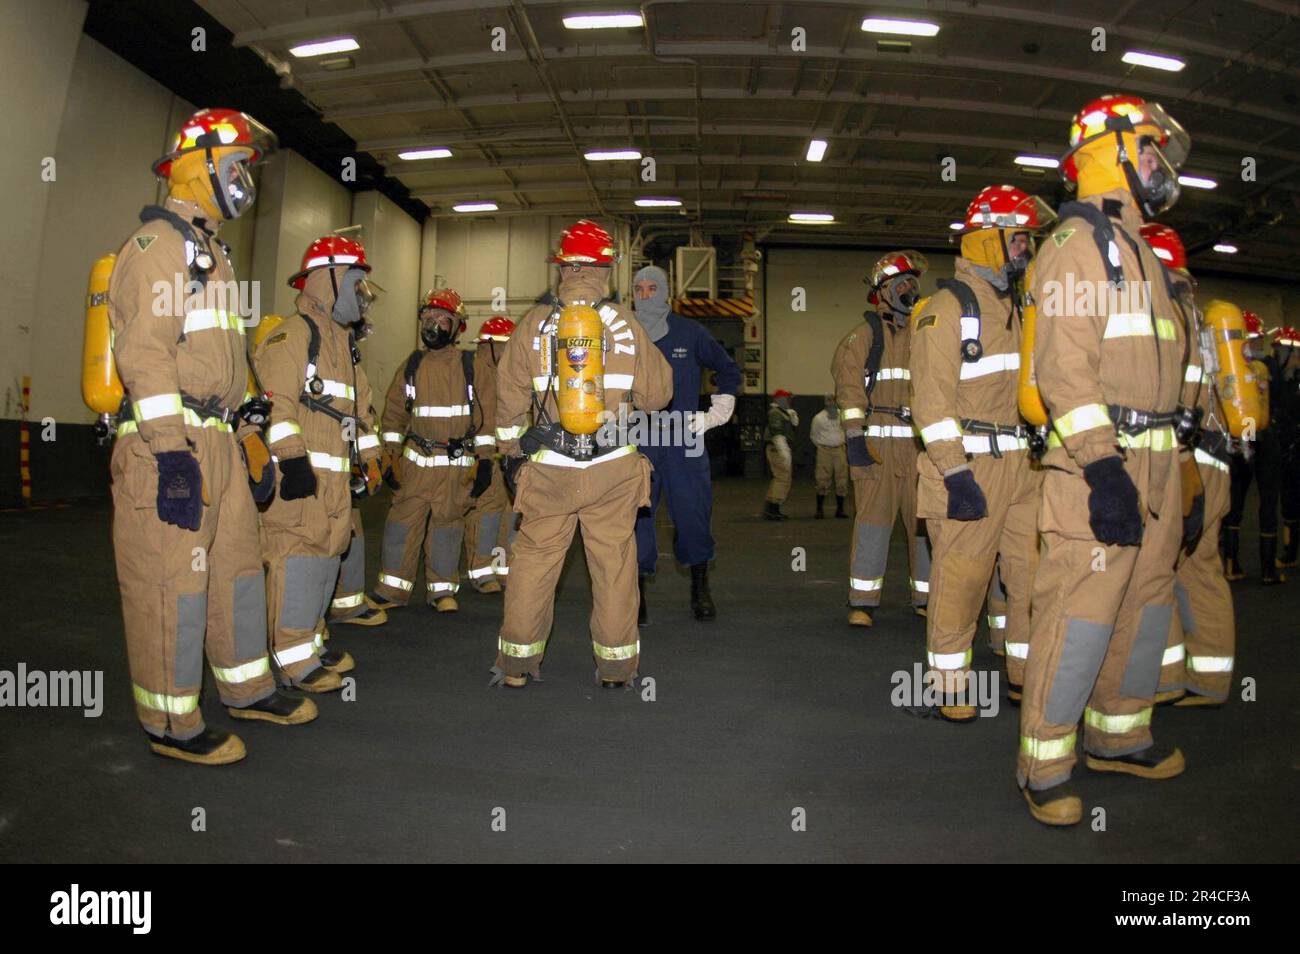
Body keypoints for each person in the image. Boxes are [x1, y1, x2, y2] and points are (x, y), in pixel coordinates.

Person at [108, 108, 314, 765]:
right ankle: (169, 720)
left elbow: (227, 362)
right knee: (173, 581)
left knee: (234, 572)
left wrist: (250, 438)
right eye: (234, 166)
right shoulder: (159, 247)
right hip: (170, 445)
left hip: (217, 444)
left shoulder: (213, 255)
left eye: (247, 169)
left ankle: (247, 686)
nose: (244, 180)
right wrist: (169, 452)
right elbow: (144, 356)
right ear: (196, 167)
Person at [1019, 93, 1191, 825]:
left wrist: (1179, 468)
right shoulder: (1074, 246)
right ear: (1112, 151)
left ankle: (1120, 733)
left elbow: (1169, 368)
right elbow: (1064, 371)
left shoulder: (1144, 250)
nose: (1158, 165)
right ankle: (1044, 764)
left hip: (1155, 466)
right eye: (1149, 148)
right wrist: (1101, 466)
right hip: (1101, 471)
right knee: (1081, 614)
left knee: (1145, 606)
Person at [491, 220, 673, 688]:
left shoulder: (533, 323)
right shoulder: (626, 324)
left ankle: (516, 665)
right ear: (605, 270)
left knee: (534, 561)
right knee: (613, 562)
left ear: (562, 269)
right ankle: (615, 668)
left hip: (550, 469)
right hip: (613, 468)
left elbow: (508, 393)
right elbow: (658, 395)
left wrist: (511, 452)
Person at [909, 185, 1054, 718]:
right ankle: (949, 686)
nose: (1025, 250)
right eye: (1017, 239)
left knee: (1031, 577)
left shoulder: (1021, 307)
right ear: (987, 241)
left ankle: (1024, 673)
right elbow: (930, 403)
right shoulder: (944, 311)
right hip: (971, 466)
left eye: (1027, 240)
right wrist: (955, 473)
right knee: (962, 577)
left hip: (1025, 465)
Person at [254, 236, 384, 691]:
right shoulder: (292, 335)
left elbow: (359, 411)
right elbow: (275, 404)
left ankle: (308, 641)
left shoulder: (342, 345)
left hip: (335, 483)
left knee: (328, 554)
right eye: (356, 283)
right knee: (298, 559)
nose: (361, 296)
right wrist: (291, 462)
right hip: (302, 478)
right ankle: (293, 660)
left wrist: (369, 461)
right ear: (328, 281)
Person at [1142, 223, 1236, 707]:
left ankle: (1165, 678)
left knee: (1157, 570)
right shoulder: (1195, 317)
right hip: (1213, 460)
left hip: (1184, 464)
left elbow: (1167, 401)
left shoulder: (1165, 317)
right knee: (1201, 569)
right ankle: (1211, 678)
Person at [370, 289, 494, 613]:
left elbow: (486, 420)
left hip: (455, 468)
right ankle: (391, 588)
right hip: (416, 466)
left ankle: (441, 590)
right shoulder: (411, 366)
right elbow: (394, 416)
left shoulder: (472, 367)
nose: (434, 324)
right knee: (401, 525)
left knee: (447, 527)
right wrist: (390, 455)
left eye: (442, 318)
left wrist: (485, 462)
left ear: (458, 326)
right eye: (429, 317)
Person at [631, 265, 741, 622]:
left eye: (652, 288)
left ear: (665, 292)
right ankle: (637, 594)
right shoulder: (622, 335)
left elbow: (728, 370)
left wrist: (716, 412)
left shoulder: (690, 332)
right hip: (637, 439)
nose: (646, 295)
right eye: (640, 289)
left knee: (694, 516)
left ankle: (700, 585)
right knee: (635, 520)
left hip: (684, 439)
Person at [831, 250, 932, 626]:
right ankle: (863, 600)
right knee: (873, 524)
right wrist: (855, 440)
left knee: (925, 525)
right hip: (877, 448)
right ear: (883, 293)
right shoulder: (863, 337)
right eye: (900, 283)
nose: (909, 289)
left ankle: (926, 597)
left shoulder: (929, 333)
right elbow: (849, 391)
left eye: (912, 282)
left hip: (921, 448)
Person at [1222, 312, 1283, 583]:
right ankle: (1266, 569)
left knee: (1238, 497)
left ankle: (1231, 565)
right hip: (1261, 432)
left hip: (1245, 431)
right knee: (1265, 501)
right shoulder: (1265, 368)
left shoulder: (1232, 368)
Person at [463, 316, 516, 594]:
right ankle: (481, 571)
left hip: (510, 455)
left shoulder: (512, 374)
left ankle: (504, 570)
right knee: (486, 513)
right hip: (484, 456)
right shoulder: (475, 373)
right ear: (492, 346)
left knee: (509, 513)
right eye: (508, 345)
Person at [1272, 326, 1300, 569]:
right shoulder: (1282, 380)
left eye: (1281, 350)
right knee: (1289, 501)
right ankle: (1291, 551)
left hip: (1296, 446)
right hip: (1286, 448)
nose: (1277, 355)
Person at [810, 395, 849, 519]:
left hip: (839, 450)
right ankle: (819, 509)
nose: (832, 403)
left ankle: (840, 510)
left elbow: (848, 430)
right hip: (824, 450)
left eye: (834, 401)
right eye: (830, 401)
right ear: (826, 403)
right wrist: (823, 446)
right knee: (822, 479)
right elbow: (814, 435)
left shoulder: (843, 416)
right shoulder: (818, 418)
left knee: (842, 478)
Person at [763, 389, 797, 520]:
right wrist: (784, 452)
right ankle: (773, 508)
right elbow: (777, 432)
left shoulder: (781, 413)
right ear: (780, 400)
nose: (789, 401)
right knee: (782, 478)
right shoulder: (776, 413)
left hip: (776, 448)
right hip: (777, 448)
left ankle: (771, 508)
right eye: (787, 398)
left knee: (779, 478)